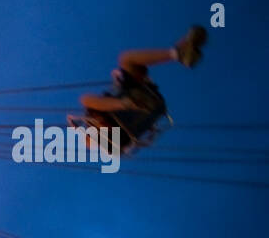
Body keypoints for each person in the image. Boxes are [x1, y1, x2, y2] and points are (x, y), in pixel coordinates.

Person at [74, 25, 206, 154]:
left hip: (138, 102)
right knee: (87, 98)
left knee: (128, 61)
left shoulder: (104, 129)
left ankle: (179, 52)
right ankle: (176, 53)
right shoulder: (107, 134)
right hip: (130, 107)